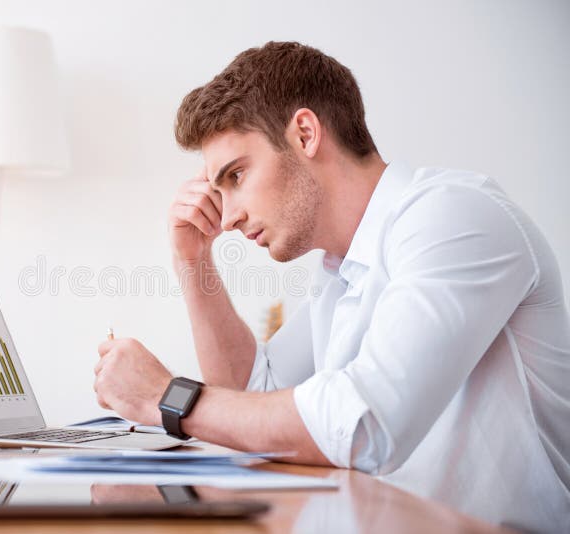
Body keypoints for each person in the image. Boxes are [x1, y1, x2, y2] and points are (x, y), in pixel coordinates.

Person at [92, 41, 570, 531]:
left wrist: (168, 398)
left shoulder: (452, 216)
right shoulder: (340, 270)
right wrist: (192, 260)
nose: (229, 215)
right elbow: (252, 395)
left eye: (236, 175)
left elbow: (364, 425)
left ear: (304, 133)